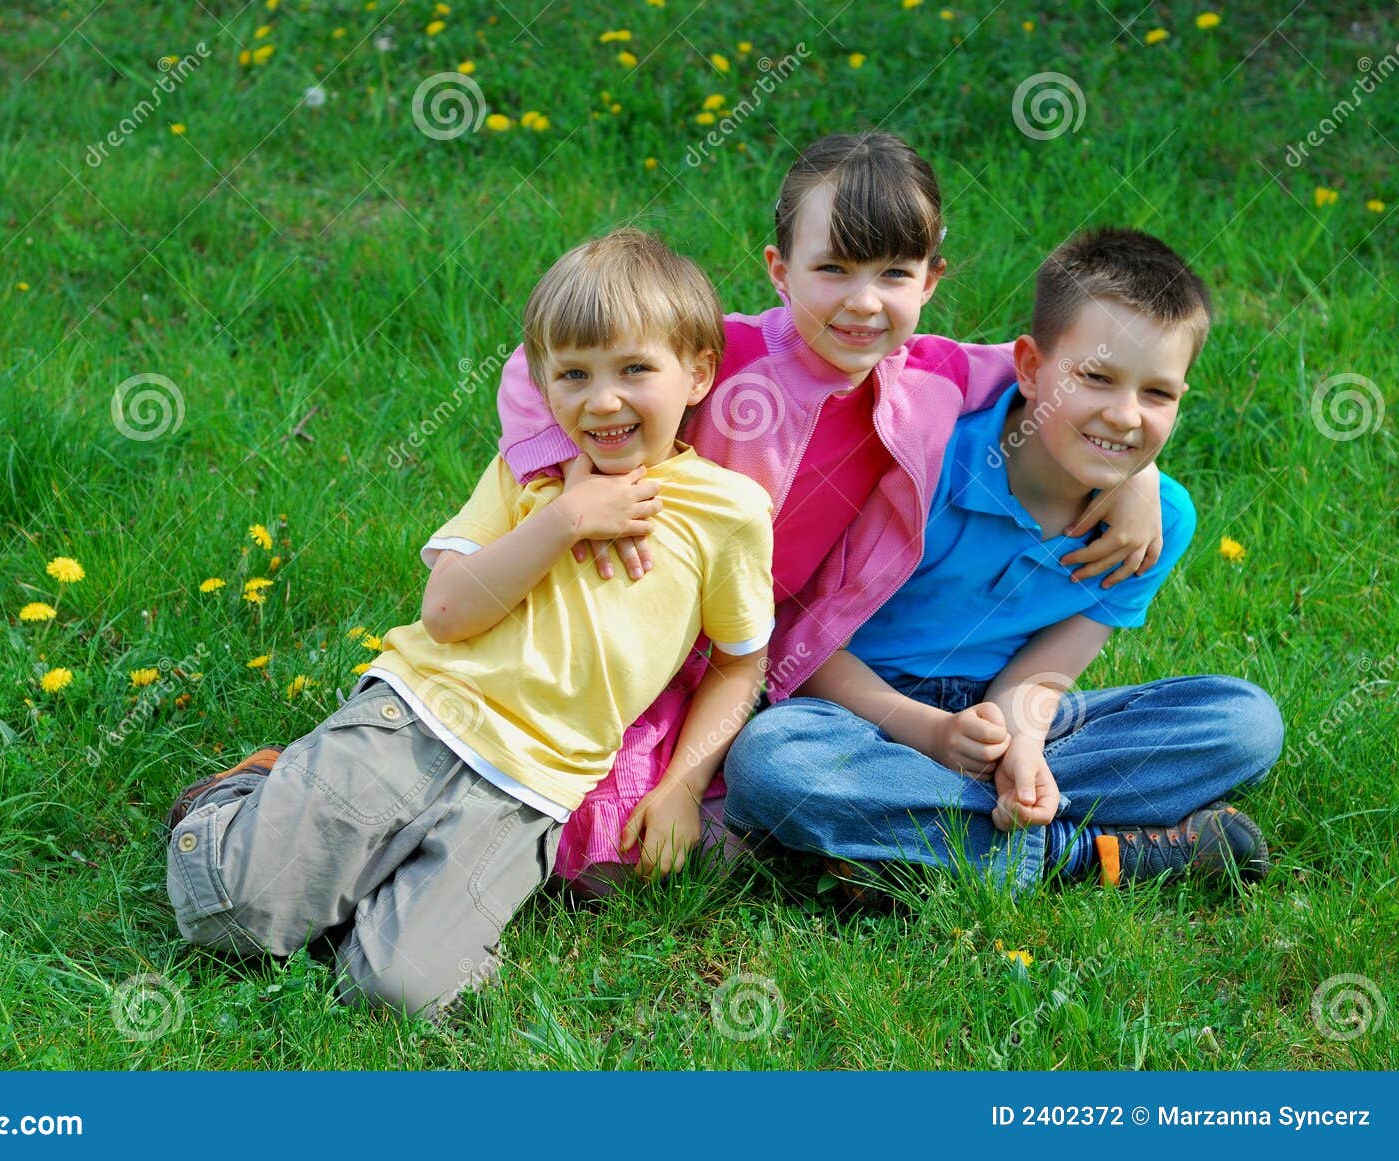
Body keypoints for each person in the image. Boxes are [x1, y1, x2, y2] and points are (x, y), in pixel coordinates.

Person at [493, 132, 1170, 890]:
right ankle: (1050, 842)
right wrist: (562, 470)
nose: (863, 301)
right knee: (637, 834)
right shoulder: (729, 352)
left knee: (1237, 724)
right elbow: (532, 365)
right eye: (834, 269)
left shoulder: (933, 370)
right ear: (779, 271)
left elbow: (1058, 381)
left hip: (766, 658)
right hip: (656, 624)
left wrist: (1140, 476)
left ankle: (959, 810)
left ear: (930, 281)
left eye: (893, 273)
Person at [163, 229, 773, 1017]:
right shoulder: (532, 472)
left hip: (525, 791)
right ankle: (248, 793)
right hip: (412, 718)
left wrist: (686, 784)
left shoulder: (728, 510)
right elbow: (445, 614)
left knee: (398, 991)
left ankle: (354, 879)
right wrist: (566, 519)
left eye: (634, 370)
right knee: (225, 913)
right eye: (574, 374)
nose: (603, 399)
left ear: (697, 373)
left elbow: (739, 661)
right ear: (546, 385)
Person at [723, 227, 1284, 898]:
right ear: (1029, 368)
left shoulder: (1156, 521)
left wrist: (1020, 749)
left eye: (1157, 394)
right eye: (1096, 377)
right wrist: (929, 732)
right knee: (769, 759)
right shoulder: (922, 464)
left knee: (1243, 722)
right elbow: (803, 647)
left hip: (995, 723)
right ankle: (1075, 853)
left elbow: (1039, 676)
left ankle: (910, 844)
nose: (1125, 415)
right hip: (858, 715)